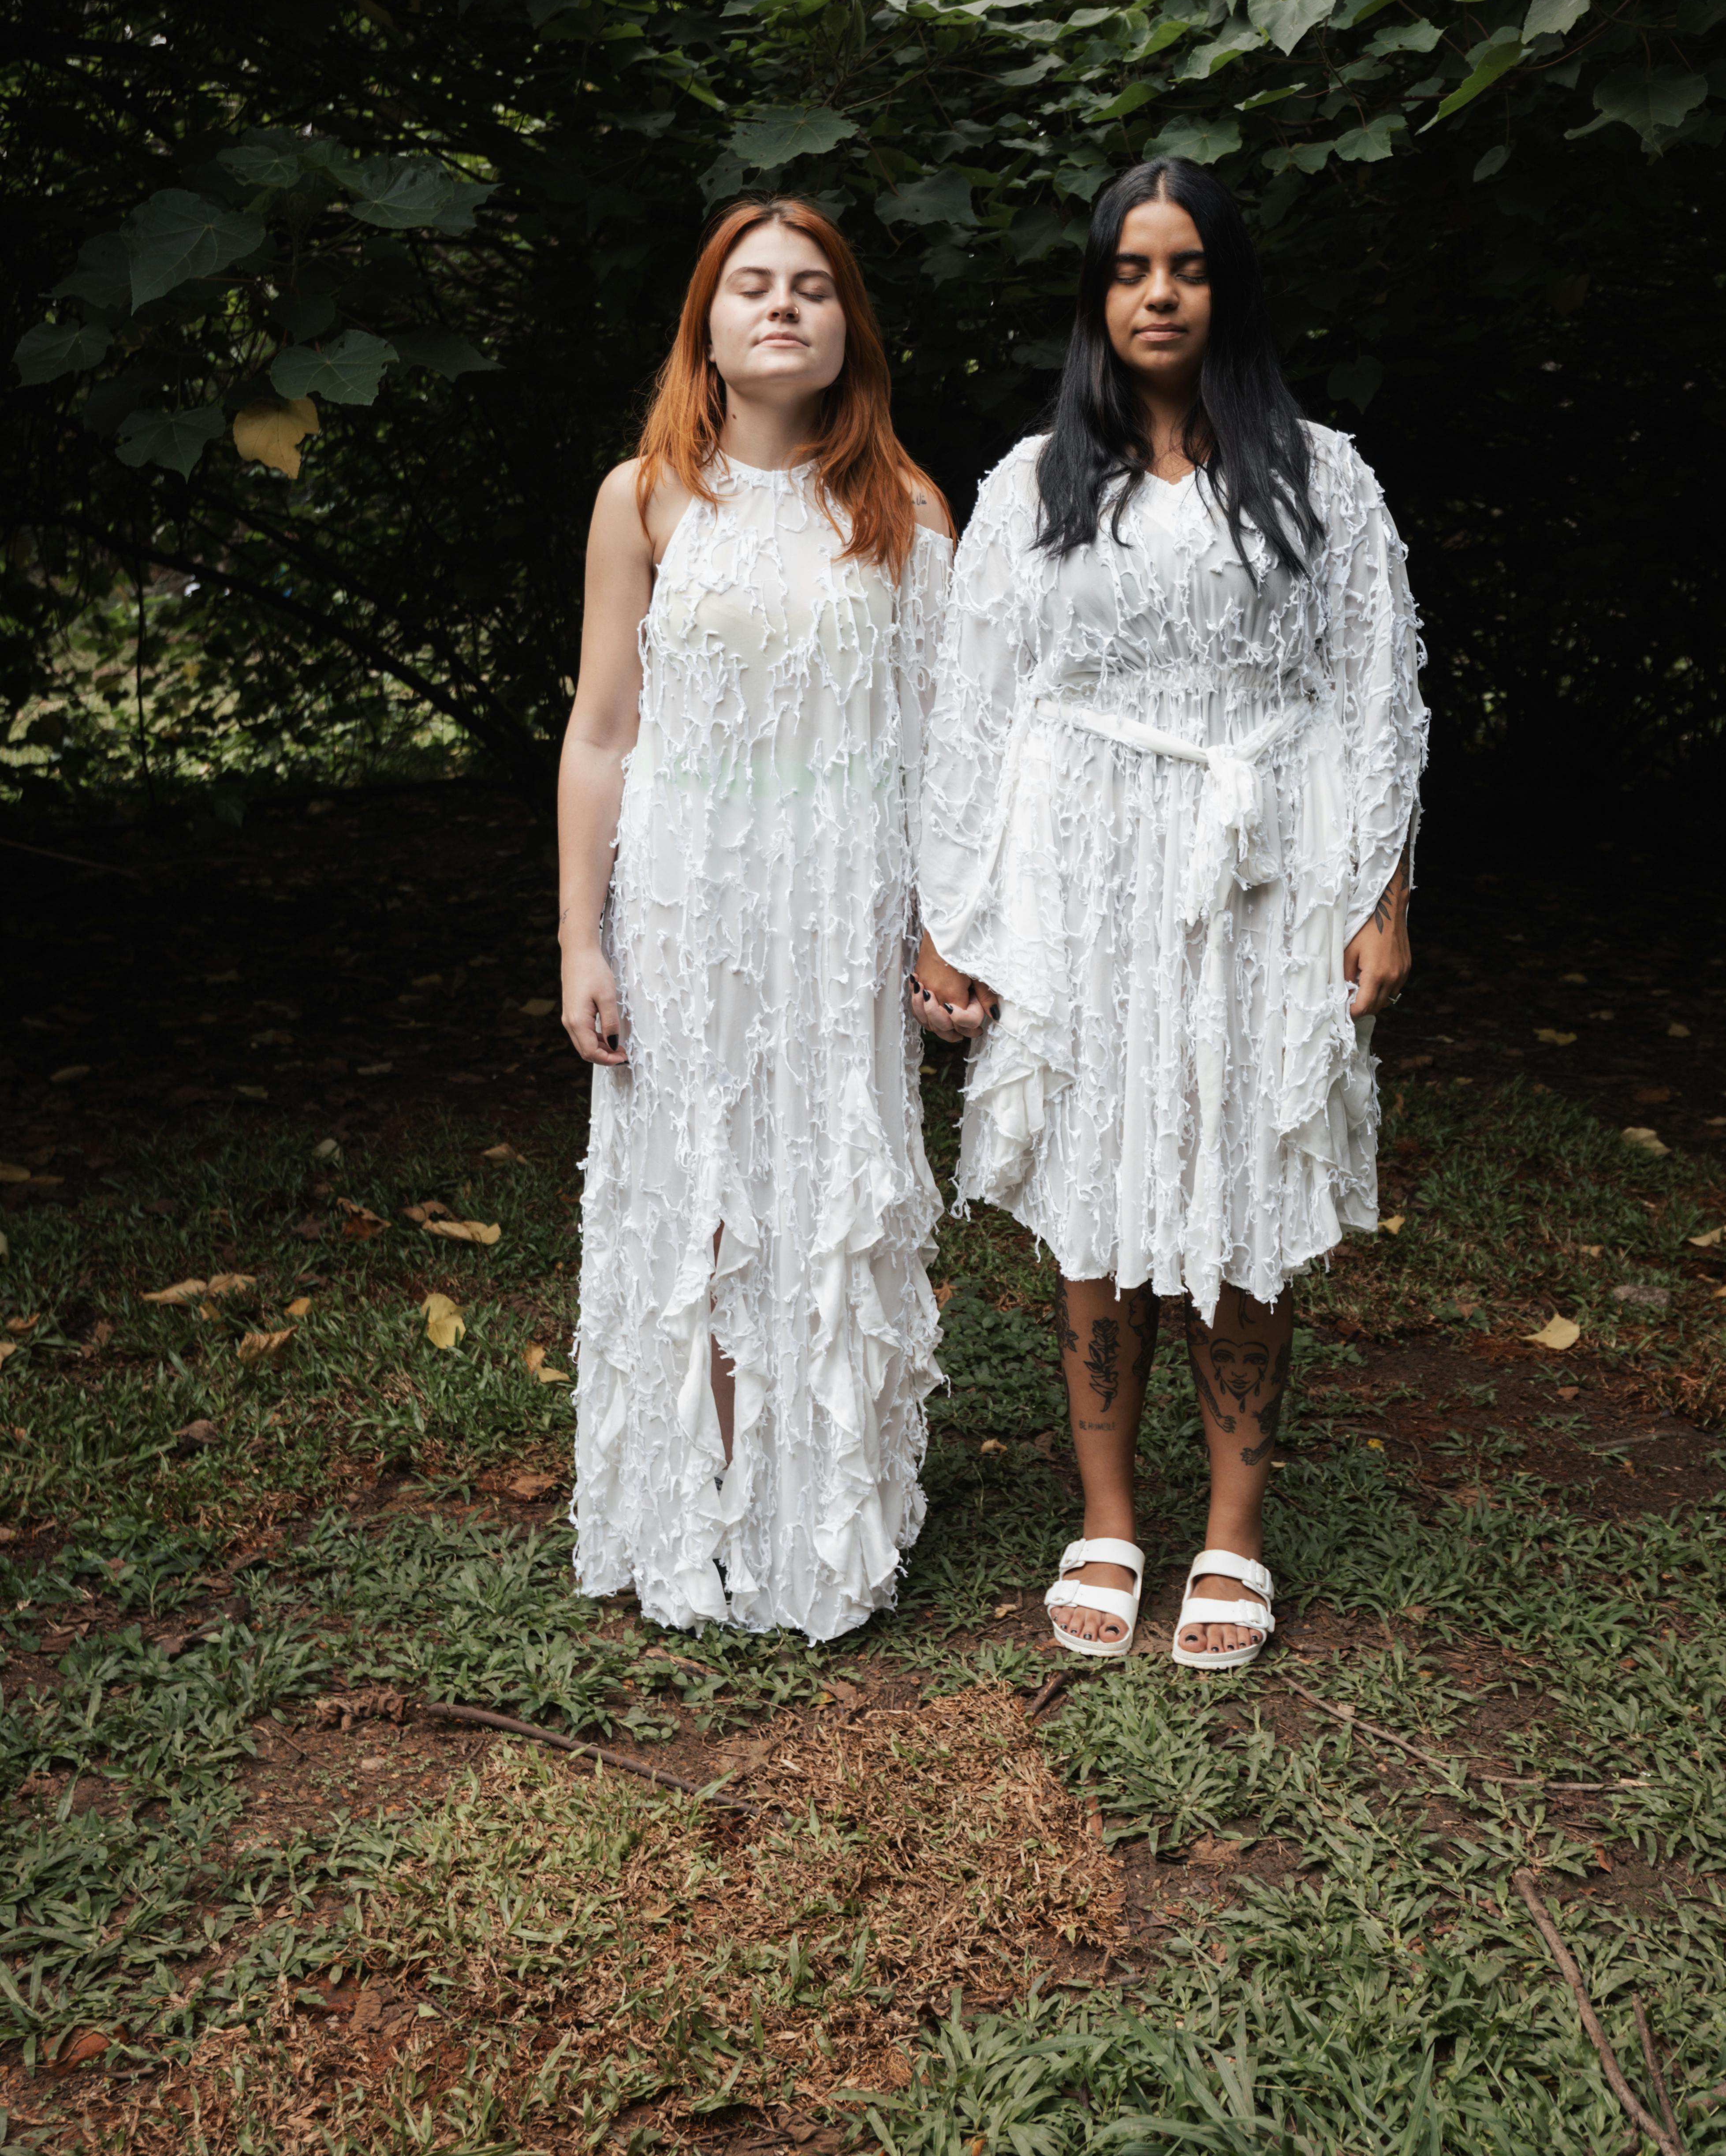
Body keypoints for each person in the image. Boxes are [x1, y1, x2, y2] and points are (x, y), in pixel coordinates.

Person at [910, 159, 1424, 1669]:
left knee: (1246, 1172)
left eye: (1187, 266)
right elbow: (975, 713)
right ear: (1096, 295)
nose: (1157, 293)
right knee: (1097, 1178)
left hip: (1268, 860)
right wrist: (957, 917)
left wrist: (1382, 895)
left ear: (1226, 288)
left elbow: (1377, 692)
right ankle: (1111, 1514)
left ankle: (1235, 1534)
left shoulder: (1323, 476)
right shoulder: (1031, 484)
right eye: (1130, 269)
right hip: (1083, 869)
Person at [559, 198, 954, 1638]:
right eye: (750, 288)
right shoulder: (647, 496)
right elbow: (602, 728)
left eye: (810, 289)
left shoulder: (905, 512)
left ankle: (821, 1514)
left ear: (848, 328)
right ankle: (699, 1507)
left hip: (841, 907)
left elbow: (941, 744)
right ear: (707, 328)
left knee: (825, 1199)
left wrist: (939, 932)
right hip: (684, 904)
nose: (780, 307)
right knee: (703, 1200)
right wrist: (578, 938)